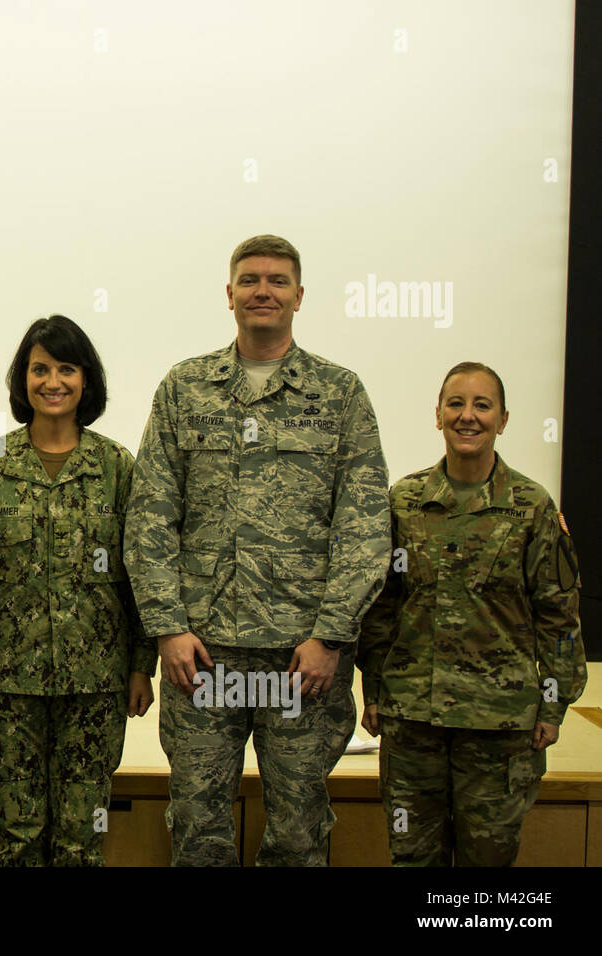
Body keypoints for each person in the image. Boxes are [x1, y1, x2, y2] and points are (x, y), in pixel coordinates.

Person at [125, 234, 391, 866]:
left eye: (276, 281)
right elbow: (150, 517)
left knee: (299, 830)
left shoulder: (339, 394)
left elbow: (365, 526)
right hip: (205, 658)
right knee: (197, 824)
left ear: (299, 296)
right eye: (249, 280)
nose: (262, 291)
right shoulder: (185, 389)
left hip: (301, 663)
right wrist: (167, 629)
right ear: (229, 295)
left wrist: (330, 636)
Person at [357, 362, 585, 866]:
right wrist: (374, 690)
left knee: (488, 866)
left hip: (500, 729)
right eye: (456, 404)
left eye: (482, 405)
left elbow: (559, 620)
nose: (468, 416)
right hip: (412, 723)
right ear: (437, 415)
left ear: (503, 420)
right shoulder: (404, 503)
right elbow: (380, 608)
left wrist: (552, 707)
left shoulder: (532, 507)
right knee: (410, 856)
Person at [0, 315, 155, 866]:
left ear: (86, 380)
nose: (53, 381)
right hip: (5, 683)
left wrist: (142, 665)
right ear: (22, 380)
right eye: (39, 368)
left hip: (96, 684)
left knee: (80, 837)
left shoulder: (118, 467)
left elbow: (143, 573)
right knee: (15, 833)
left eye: (66, 369)